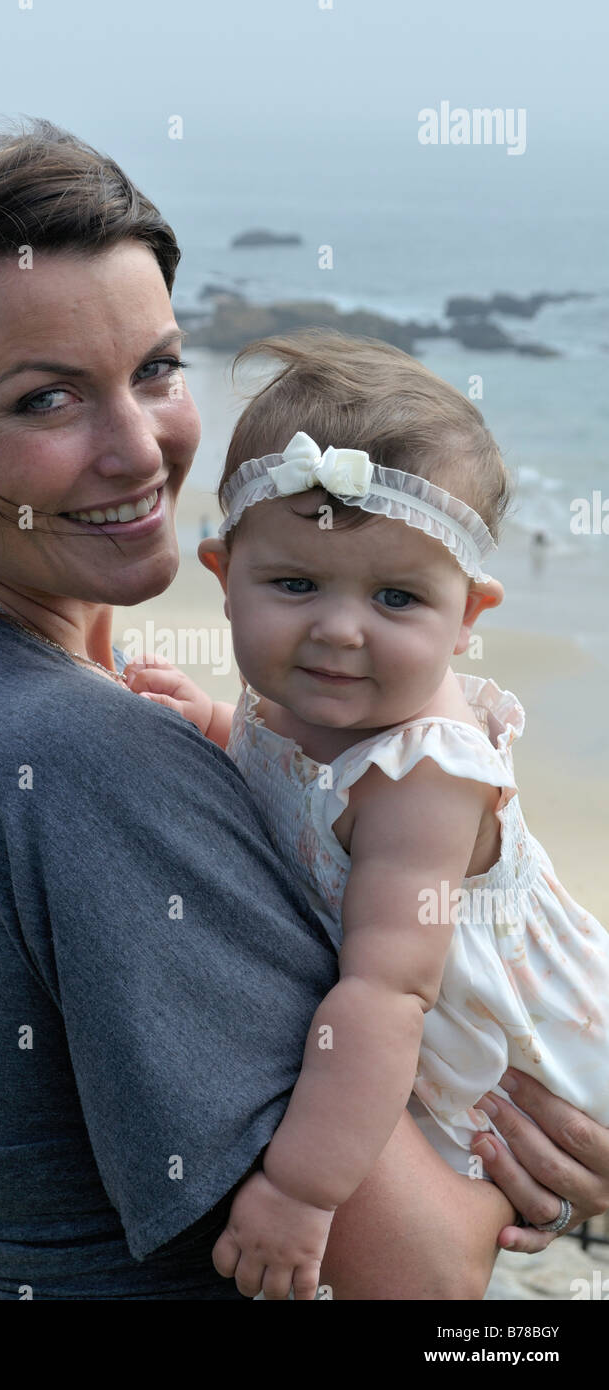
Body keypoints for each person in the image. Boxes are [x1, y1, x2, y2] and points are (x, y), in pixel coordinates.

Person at [0, 123, 609, 1302]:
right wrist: (529, 1180)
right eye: (47, 397)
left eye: (154, 368)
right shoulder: (78, 756)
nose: (138, 448)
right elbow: (414, 1279)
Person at [131, 331, 609, 1297]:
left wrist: (305, 1193)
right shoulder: (300, 705)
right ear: (223, 577)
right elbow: (292, 776)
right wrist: (213, 722)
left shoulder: (421, 779)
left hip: (531, 1060)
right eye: (296, 584)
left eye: (397, 596)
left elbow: (386, 998)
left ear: (469, 613)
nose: (339, 630)